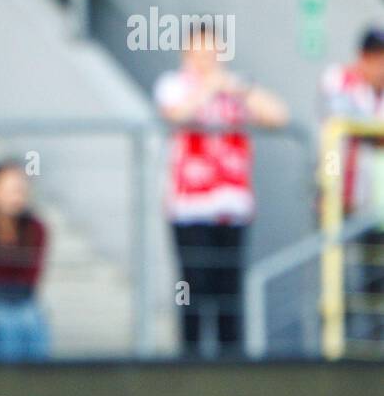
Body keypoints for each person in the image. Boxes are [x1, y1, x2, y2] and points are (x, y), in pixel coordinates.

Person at [154, 23, 288, 357]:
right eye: (200, 52)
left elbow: (278, 115)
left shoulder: (235, 86)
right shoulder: (174, 84)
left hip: (231, 208)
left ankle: (232, 364)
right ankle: (191, 362)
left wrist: (235, 87)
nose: (207, 59)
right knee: (192, 288)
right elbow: (176, 115)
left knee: (229, 291)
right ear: (187, 53)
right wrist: (207, 88)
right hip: (189, 207)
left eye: (212, 51)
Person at [320, 27, 384, 342]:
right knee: (335, 283)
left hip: (370, 202)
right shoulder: (340, 80)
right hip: (334, 194)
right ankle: (335, 348)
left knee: (373, 280)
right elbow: (343, 122)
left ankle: (371, 344)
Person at [0, 161, 50, 361]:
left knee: (32, 320)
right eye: (9, 189)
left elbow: (30, 277)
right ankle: (5, 385)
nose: (16, 195)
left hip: (21, 299)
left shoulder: (35, 228)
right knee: (5, 323)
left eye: (19, 189)